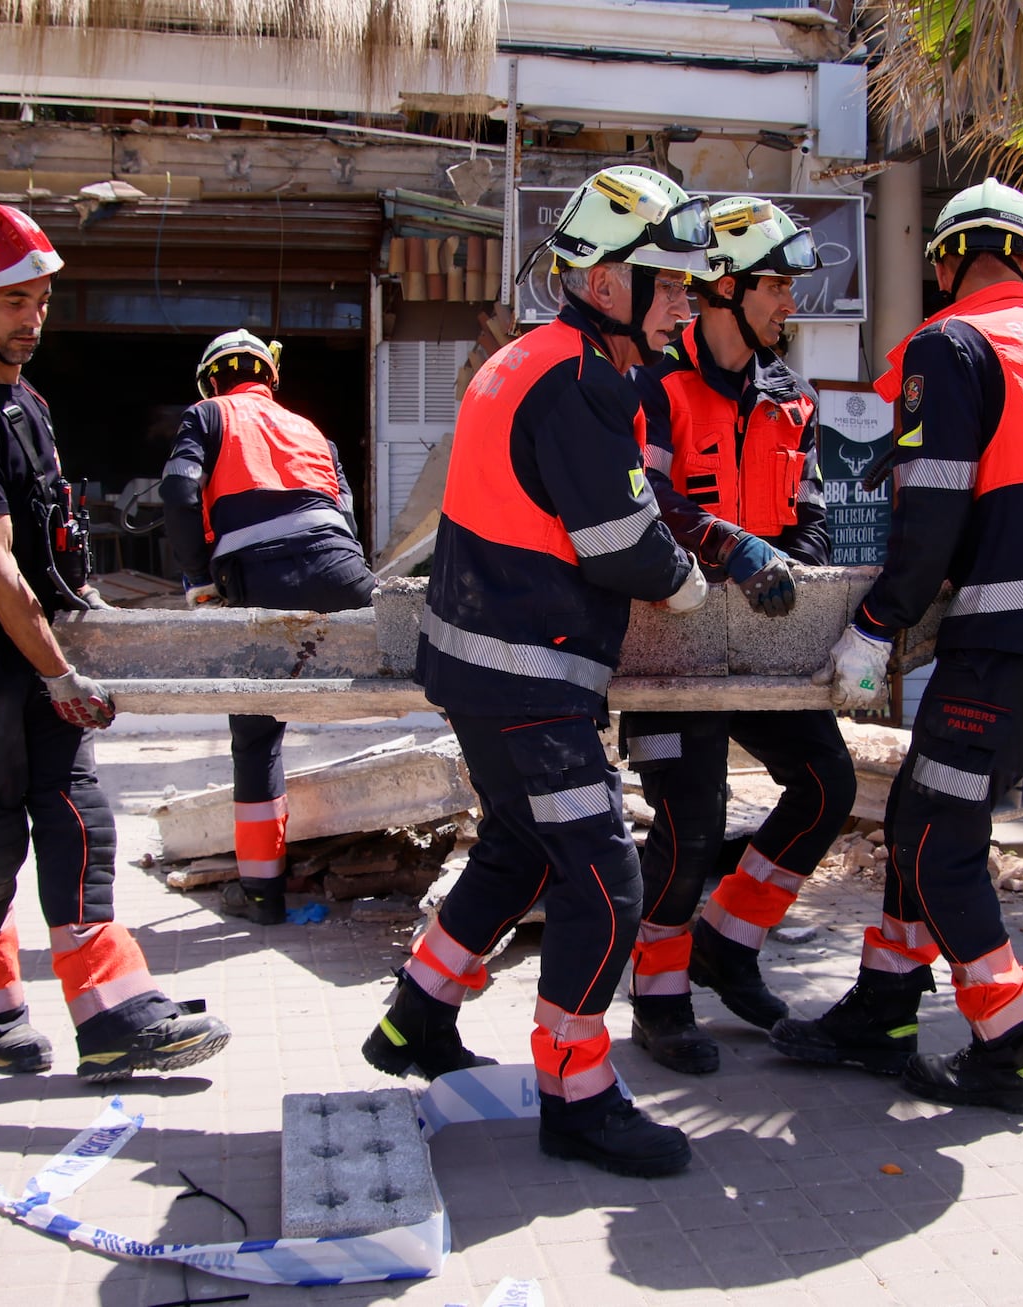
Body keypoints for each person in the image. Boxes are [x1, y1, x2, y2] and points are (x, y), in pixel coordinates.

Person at [358, 165, 711, 1176]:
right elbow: (622, 544)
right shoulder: (578, 379)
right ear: (604, 282)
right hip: (528, 677)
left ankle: (414, 1020)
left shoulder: (540, 359)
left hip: (487, 666)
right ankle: (576, 1091)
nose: (685, 304)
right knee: (605, 877)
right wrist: (691, 581)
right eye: (671, 283)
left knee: (517, 850)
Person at [774, 178, 1023, 1117]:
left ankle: (1013, 1043)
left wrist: (875, 625)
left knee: (931, 834)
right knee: (928, 811)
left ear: (946, 261)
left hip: (1004, 642)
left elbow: (934, 509)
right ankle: (883, 1007)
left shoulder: (952, 343)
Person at [0, 199, 229, 1082]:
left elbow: (50, 555)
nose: (32, 321)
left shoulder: (26, 406)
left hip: (36, 668)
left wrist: (87, 646)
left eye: (40, 302)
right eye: (13, 305)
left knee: (81, 825)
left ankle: (113, 1014)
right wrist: (62, 672)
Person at [620, 196, 856, 1075]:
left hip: (760, 643)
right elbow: (645, 507)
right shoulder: (653, 384)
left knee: (827, 786)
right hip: (671, 643)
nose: (789, 303)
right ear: (721, 287)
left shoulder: (793, 396)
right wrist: (733, 547)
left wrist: (795, 575)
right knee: (688, 826)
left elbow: (815, 515)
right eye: (775, 286)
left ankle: (728, 939)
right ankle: (659, 993)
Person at [159, 329, 376, 924]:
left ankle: (262, 895)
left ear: (211, 380)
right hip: (342, 570)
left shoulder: (207, 414)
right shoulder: (311, 430)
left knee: (256, 735)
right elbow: (346, 513)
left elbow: (179, 490)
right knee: (432, 677)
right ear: (270, 379)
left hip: (259, 582)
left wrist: (198, 579)